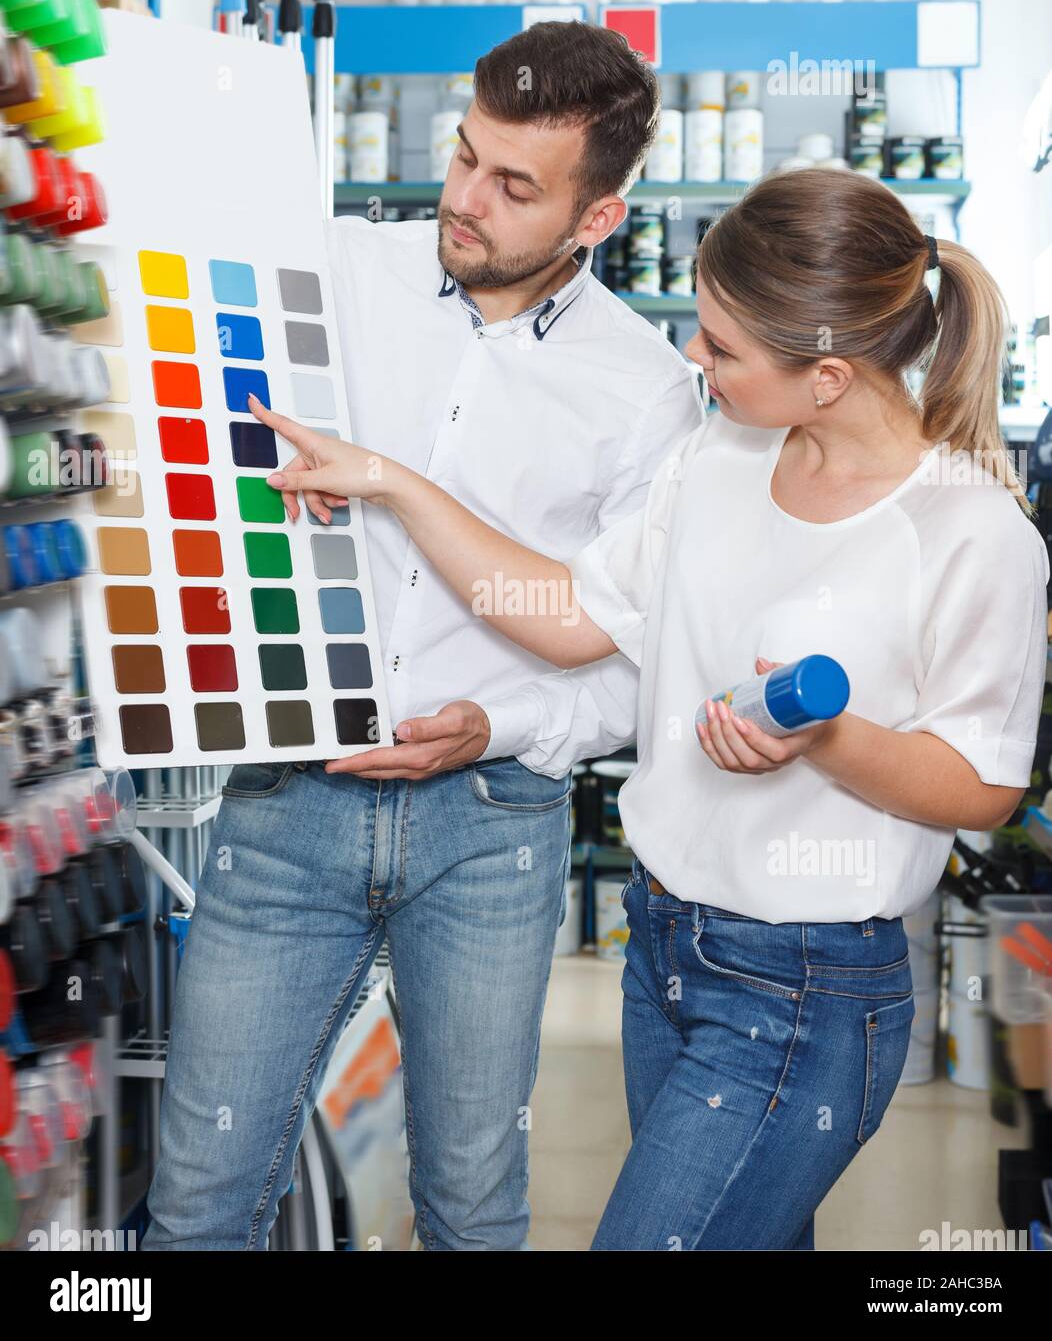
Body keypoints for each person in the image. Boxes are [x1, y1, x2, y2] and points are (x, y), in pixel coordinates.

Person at [250, 167, 1049, 1251]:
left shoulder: (971, 531)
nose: (692, 359)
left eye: (722, 348)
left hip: (804, 989)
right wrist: (390, 481)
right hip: (664, 944)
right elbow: (570, 614)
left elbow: (984, 785)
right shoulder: (718, 457)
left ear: (825, 376)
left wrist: (825, 737)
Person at [142, 21, 701, 1252]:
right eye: (463, 158)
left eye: (514, 187)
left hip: (488, 826)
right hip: (289, 799)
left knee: (472, 1206)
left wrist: (494, 724)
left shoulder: (646, 391)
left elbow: (628, 665)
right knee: (199, 1202)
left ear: (598, 217)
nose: (464, 200)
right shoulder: (332, 271)